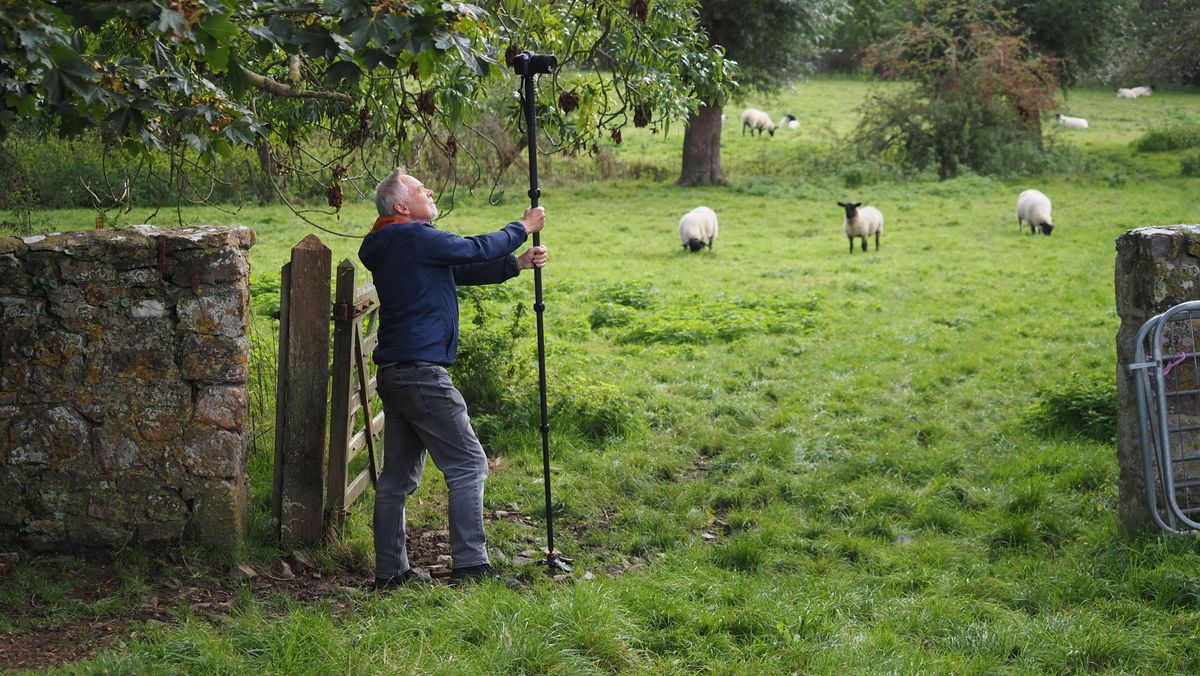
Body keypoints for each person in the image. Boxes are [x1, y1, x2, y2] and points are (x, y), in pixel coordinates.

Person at [359, 167, 547, 590]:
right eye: (419, 188)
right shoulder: (411, 236)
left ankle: (391, 574)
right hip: (422, 373)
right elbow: (473, 247)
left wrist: (514, 265)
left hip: (397, 372)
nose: (429, 188)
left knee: (397, 479)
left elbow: (458, 269)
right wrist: (522, 227)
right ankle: (471, 569)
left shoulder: (394, 243)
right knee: (468, 464)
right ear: (402, 207)